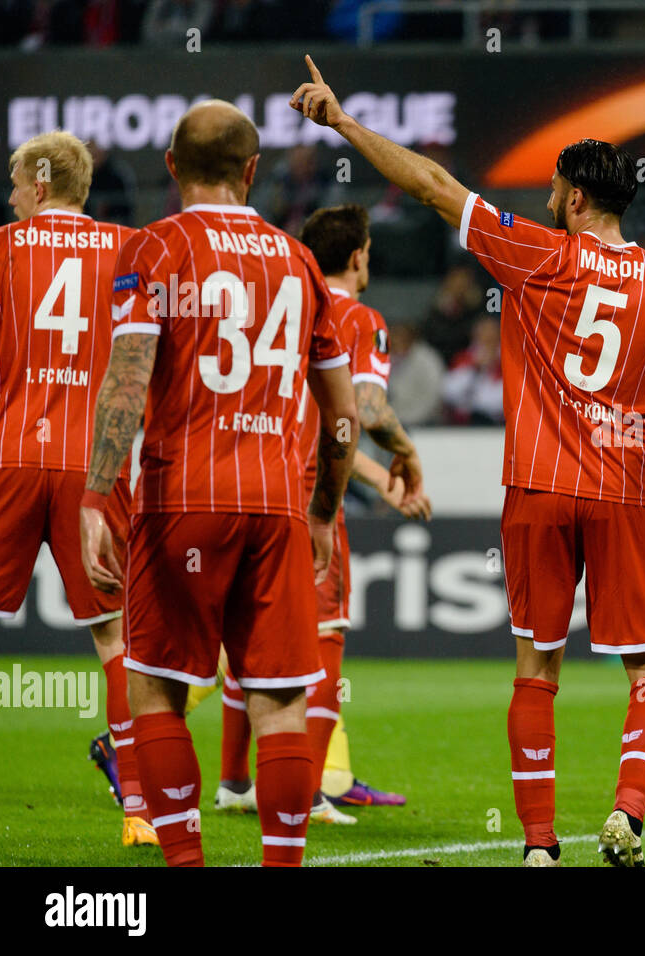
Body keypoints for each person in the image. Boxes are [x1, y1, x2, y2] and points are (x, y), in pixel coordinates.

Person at [291, 55, 645, 866]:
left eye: (553, 188)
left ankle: (540, 849)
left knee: (536, 667)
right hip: (626, 489)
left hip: (540, 488)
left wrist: (344, 124)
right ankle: (628, 813)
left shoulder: (536, 253)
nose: (547, 198)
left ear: (575, 197)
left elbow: (435, 186)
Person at [80, 99, 359, 867]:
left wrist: (97, 495)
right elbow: (341, 415)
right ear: (252, 170)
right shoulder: (299, 260)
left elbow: (126, 383)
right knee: (279, 702)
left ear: (170, 167)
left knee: (156, 692)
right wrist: (325, 512)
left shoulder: (155, 247)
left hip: (182, 501)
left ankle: (187, 863)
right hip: (275, 504)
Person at [214, 203, 428, 820]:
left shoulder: (278, 305)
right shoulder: (360, 319)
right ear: (360, 256)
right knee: (325, 635)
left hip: (251, 484)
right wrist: (405, 452)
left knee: (248, 640)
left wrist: (374, 474)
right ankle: (306, 795)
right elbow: (363, 409)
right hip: (311, 503)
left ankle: (233, 783)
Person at [0, 130, 155, 848]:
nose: (8, 198)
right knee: (117, 636)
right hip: (98, 465)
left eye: (12, 184)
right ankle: (141, 813)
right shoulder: (132, 250)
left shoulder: (1, 250)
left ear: (38, 185)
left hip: (9, 453)